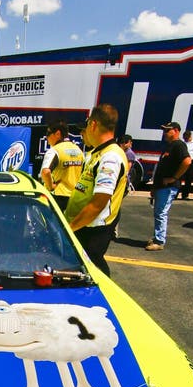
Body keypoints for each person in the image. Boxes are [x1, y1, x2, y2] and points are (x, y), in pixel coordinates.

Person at [64, 104, 128, 277]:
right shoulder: (97, 153)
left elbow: (99, 201)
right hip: (84, 224)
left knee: (93, 270)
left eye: (86, 127)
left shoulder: (111, 157)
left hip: (93, 228)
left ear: (93, 124)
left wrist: (70, 228)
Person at [146, 122, 191, 251]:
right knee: (158, 212)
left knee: (161, 213)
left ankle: (159, 240)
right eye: (164, 131)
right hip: (161, 186)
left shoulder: (179, 145)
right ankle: (157, 237)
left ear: (176, 131)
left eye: (167, 131)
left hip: (168, 186)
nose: (165, 133)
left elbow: (187, 161)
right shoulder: (169, 146)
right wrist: (154, 187)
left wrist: (174, 178)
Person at [37, 120, 83, 211]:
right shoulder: (79, 150)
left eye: (48, 133)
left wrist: (50, 187)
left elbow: (45, 172)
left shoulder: (54, 151)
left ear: (57, 134)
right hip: (75, 197)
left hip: (58, 197)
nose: (47, 137)